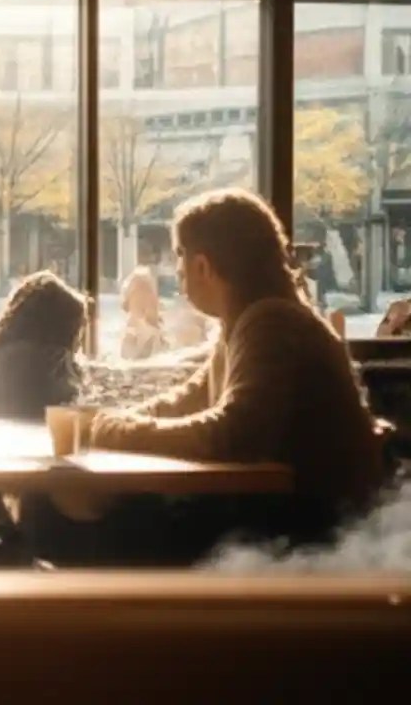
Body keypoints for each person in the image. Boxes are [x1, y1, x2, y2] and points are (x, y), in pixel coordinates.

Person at [41, 189, 384, 564]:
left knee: (59, 518)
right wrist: (111, 422)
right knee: (78, 513)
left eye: (179, 256)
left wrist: (113, 431)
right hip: (290, 522)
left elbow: (232, 433)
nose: (177, 271)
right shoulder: (250, 322)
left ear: (202, 266)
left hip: (306, 535)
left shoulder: (271, 323)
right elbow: (186, 400)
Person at [0, 271, 86, 420]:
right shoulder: (49, 365)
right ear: (61, 328)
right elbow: (75, 405)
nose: (78, 340)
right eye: (76, 330)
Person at [119, 266, 167, 360]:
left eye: (149, 293)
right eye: (139, 296)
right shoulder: (130, 333)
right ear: (128, 304)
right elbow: (127, 357)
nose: (145, 299)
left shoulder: (162, 330)